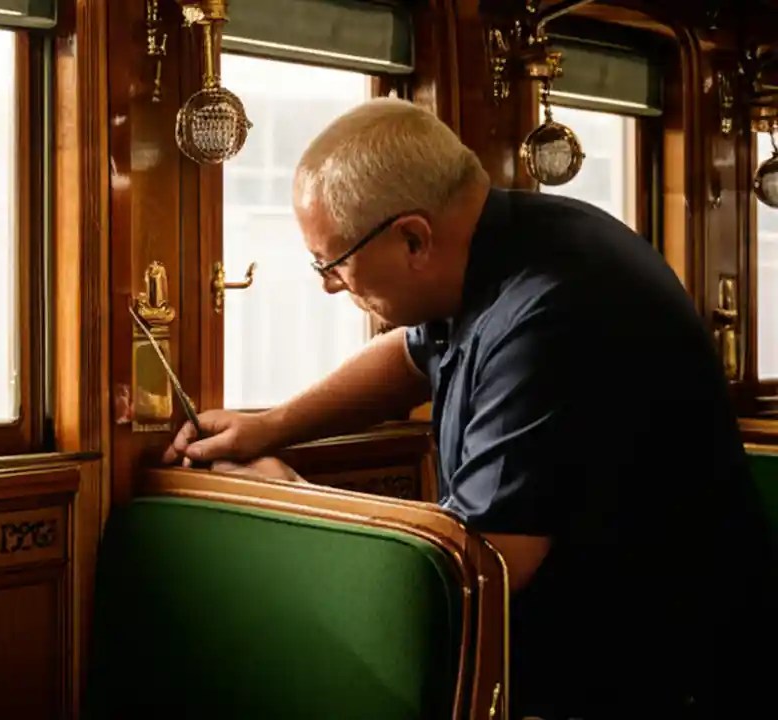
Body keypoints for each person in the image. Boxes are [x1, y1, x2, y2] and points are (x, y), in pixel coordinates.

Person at [163, 97, 777, 718]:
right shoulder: (494, 246)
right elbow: (408, 358)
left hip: (660, 677)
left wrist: (293, 500)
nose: (328, 283)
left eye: (333, 262)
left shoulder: (552, 311)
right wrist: (267, 427)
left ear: (412, 238)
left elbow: (484, 565)